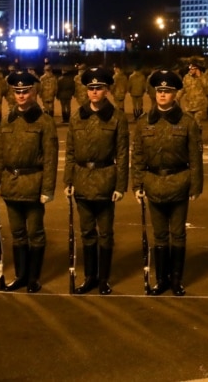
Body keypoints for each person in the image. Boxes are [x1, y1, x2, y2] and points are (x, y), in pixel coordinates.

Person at [132, 69, 202, 296]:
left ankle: (176, 280)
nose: (162, 95)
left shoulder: (187, 122)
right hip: (153, 183)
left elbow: (195, 157)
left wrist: (195, 185)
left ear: (175, 94)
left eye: (167, 91)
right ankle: (161, 279)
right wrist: (138, 184)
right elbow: (139, 156)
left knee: (178, 234)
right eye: (159, 91)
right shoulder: (144, 122)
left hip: (179, 182)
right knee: (160, 235)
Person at [63, 67, 129, 294]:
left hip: (105, 179)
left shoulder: (117, 117)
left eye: (98, 88)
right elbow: (70, 152)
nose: (93, 92)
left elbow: (122, 154)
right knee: (86, 233)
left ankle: (104, 278)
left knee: (105, 233)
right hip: (81, 179)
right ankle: (90, 276)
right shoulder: (77, 116)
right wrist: (68, 181)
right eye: (90, 88)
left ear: (107, 90)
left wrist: (120, 186)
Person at [0, 70, 59, 292]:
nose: (21, 95)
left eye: (25, 91)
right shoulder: (8, 119)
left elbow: (50, 158)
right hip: (11, 183)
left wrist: (47, 189)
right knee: (17, 233)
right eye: (17, 91)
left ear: (33, 92)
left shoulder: (44, 121)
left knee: (35, 233)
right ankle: (21, 275)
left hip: (33, 183)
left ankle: (33, 278)